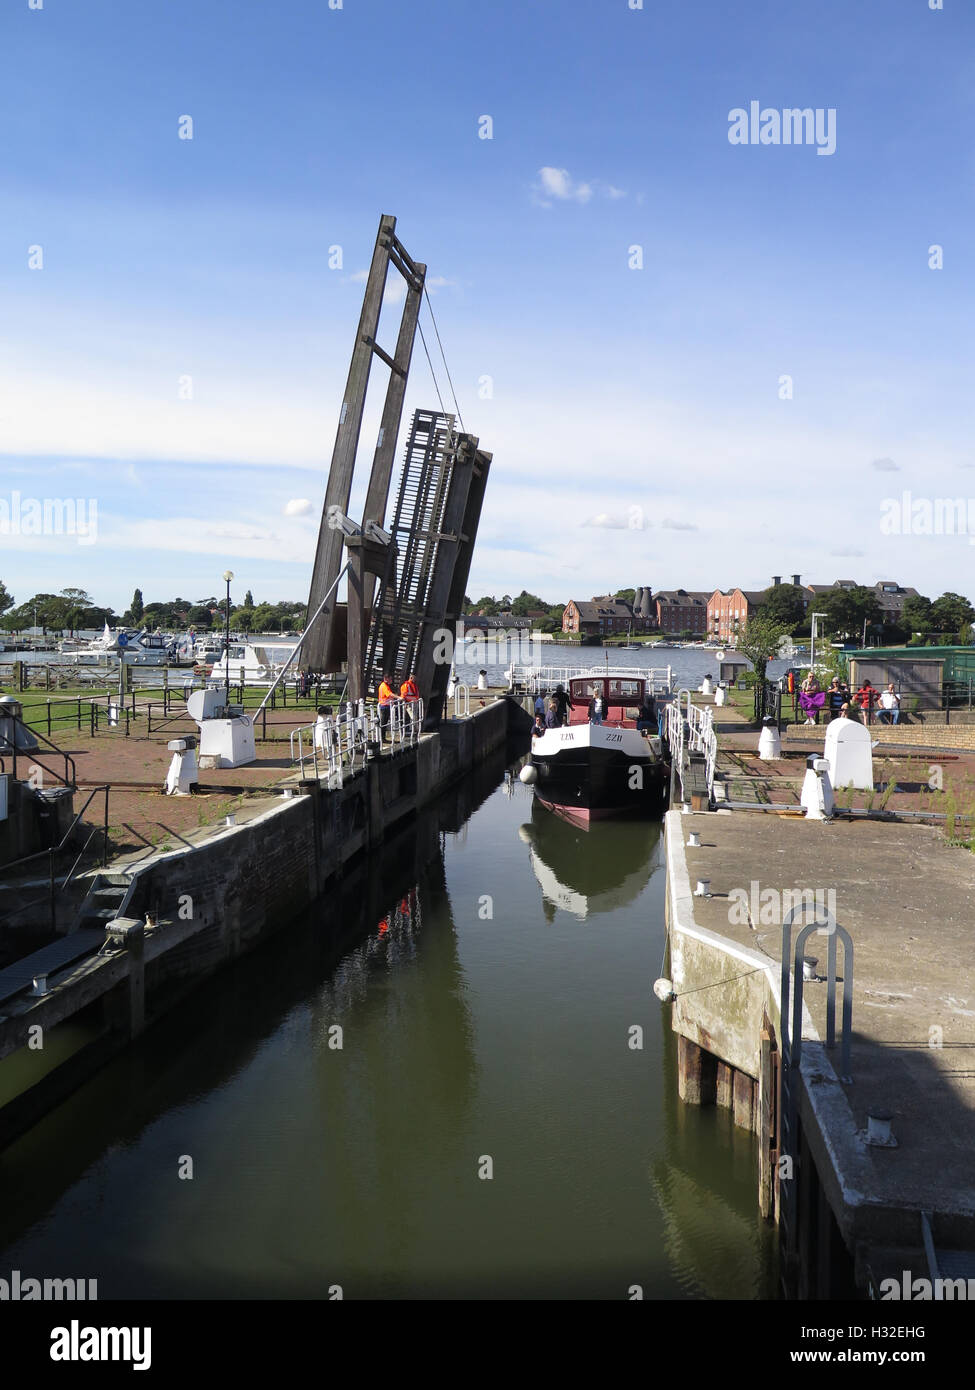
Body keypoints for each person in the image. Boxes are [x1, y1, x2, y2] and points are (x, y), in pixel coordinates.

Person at [377, 672, 397, 742]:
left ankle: (383, 738)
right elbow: (389, 694)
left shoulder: (386, 685)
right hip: (384, 706)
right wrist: (398, 697)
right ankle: (382, 738)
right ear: (386, 679)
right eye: (390, 679)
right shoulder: (384, 686)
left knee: (384, 723)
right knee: (383, 723)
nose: (391, 680)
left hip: (386, 706)